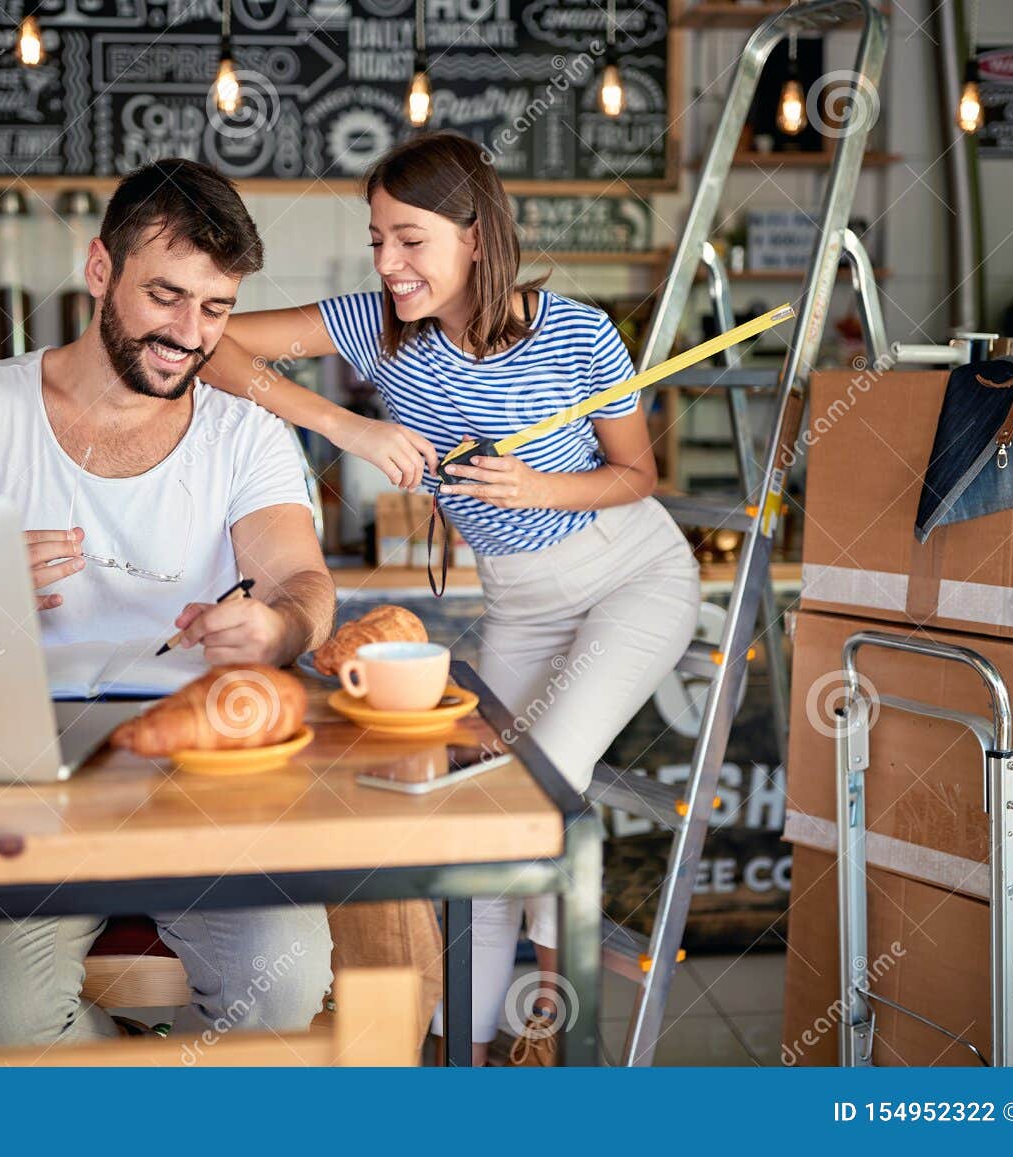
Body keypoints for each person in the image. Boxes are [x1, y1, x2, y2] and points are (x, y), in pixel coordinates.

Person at [201, 132, 701, 1064]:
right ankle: (459, 1054)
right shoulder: (375, 326)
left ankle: (553, 1037)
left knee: (541, 783)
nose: (388, 263)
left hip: (633, 576)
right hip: (521, 600)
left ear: (475, 234)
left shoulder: (580, 333)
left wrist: (537, 485)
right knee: (478, 806)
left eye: (410, 239)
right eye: (377, 239)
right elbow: (216, 345)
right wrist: (345, 424)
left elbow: (638, 475)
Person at [0, 158, 336, 1047]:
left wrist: (276, 628)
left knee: (285, 990)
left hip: (205, 768)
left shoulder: (246, 431)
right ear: (100, 269)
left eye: (216, 309)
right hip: (13, 775)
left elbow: (302, 582)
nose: (189, 334)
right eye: (165, 296)